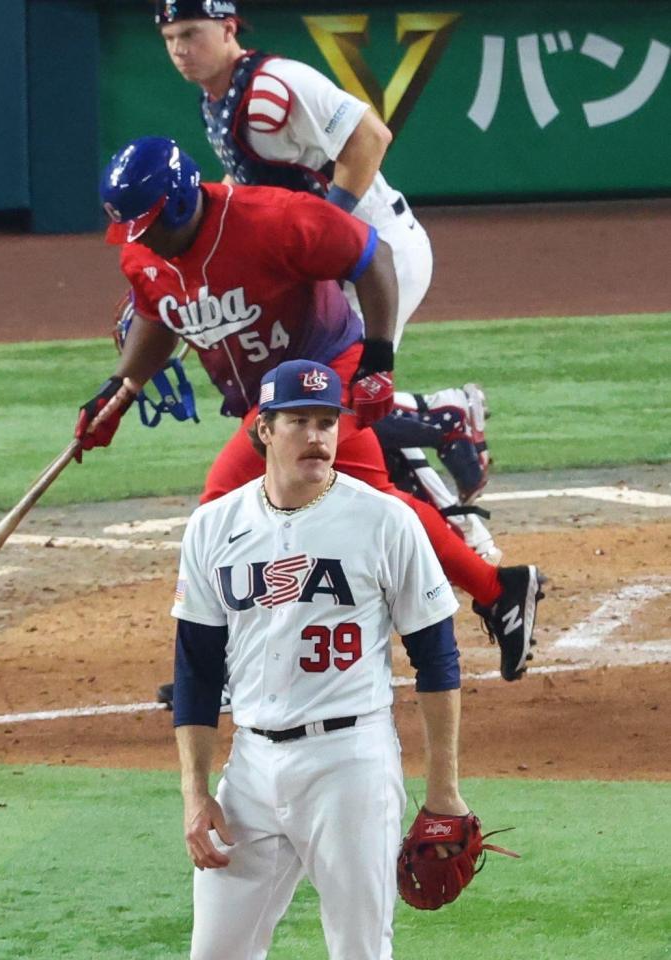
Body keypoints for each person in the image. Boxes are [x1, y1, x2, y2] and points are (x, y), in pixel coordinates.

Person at [77, 135, 545, 685]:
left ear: (179, 202)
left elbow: (372, 255)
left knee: (223, 506)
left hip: (324, 370)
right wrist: (120, 389)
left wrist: (377, 360)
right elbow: (157, 312)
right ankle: (499, 590)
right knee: (383, 502)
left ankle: (222, 665)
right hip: (268, 396)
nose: (141, 240)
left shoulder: (271, 218)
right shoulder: (143, 252)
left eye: (148, 224)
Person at [154, 0, 499, 559]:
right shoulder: (217, 100)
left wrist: (325, 229)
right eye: (170, 38)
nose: (179, 49)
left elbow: (370, 137)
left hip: (378, 256)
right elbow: (243, 183)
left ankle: (446, 415)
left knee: (334, 404)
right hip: (337, 268)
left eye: (191, 33)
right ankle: (463, 532)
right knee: (346, 415)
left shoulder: (277, 85)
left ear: (227, 27)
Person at [171, 356, 471, 959]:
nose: (317, 437)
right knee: (215, 952)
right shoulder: (212, 528)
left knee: (360, 950)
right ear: (265, 429)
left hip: (350, 765)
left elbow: (437, 659)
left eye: (327, 422)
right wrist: (196, 793)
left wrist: (445, 790)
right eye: (299, 421)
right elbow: (196, 671)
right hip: (250, 768)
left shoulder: (385, 521)